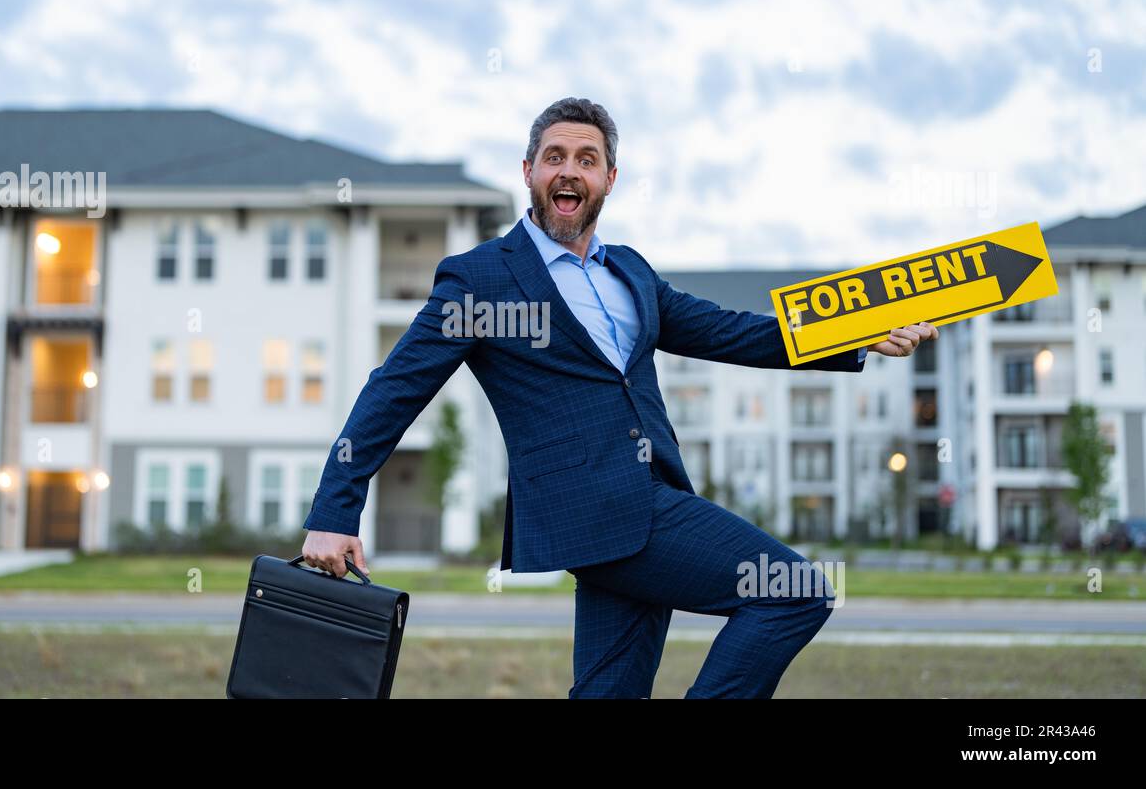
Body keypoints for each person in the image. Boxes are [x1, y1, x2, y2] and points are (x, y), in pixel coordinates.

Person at [300, 97, 937, 698]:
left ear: (610, 177)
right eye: (554, 157)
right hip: (593, 509)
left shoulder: (629, 270)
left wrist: (859, 335)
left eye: (586, 159)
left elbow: (733, 332)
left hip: (643, 502)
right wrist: (335, 509)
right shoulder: (483, 277)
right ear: (528, 172)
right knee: (794, 592)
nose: (569, 171)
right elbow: (395, 388)